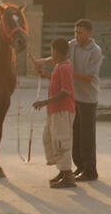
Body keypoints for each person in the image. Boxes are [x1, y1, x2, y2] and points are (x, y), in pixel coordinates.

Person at [34, 20, 103, 182]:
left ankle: (90, 170)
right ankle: (78, 166)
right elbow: (57, 56)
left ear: (89, 33)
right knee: (74, 134)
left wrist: (65, 74)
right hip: (73, 98)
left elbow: (88, 77)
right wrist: (42, 62)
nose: (77, 35)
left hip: (88, 97)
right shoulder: (72, 45)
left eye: (80, 32)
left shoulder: (95, 51)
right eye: (75, 32)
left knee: (87, 136)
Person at [32, 37, 77, 189]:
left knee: (61, 141)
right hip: (55, 110)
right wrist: (45, 76)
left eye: (52, 50)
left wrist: (45, 102)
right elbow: (58, 82)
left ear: (56, 52)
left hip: (62, 110)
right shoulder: (60, 66)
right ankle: (62, 170)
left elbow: (66, 91)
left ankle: (68, 174)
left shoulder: (64, 67)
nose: (51, 54)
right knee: (50, 138)